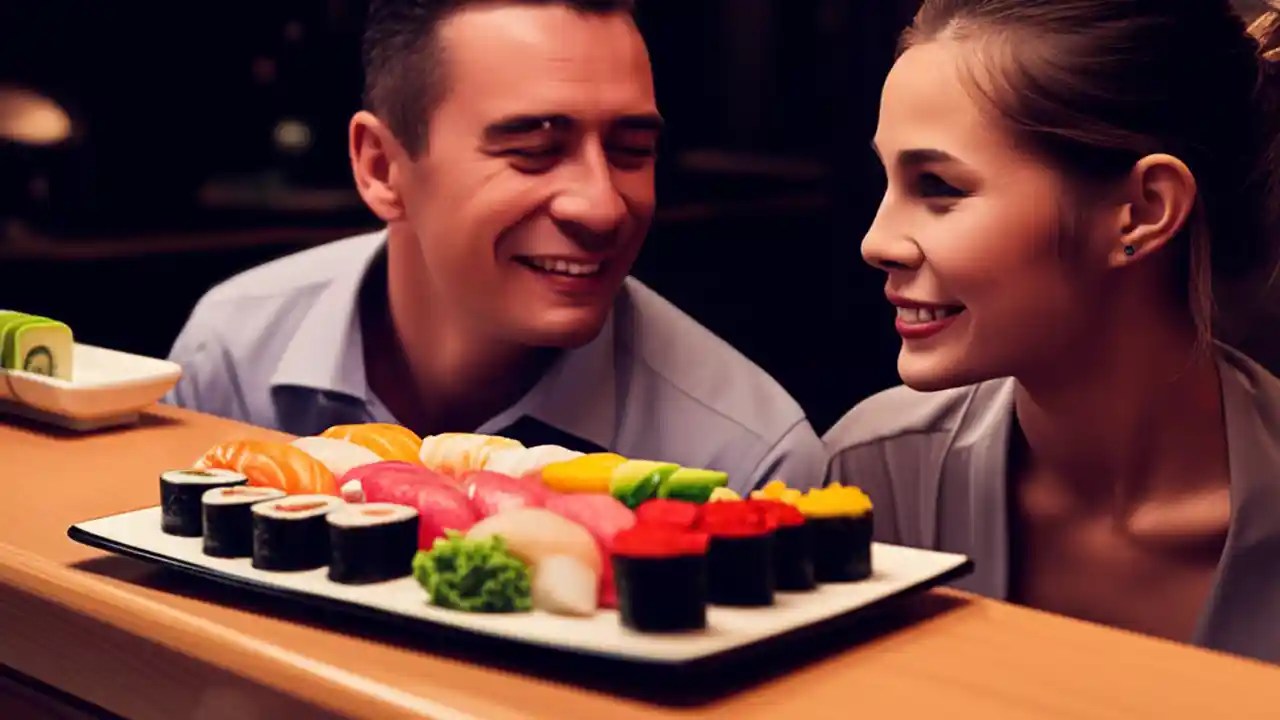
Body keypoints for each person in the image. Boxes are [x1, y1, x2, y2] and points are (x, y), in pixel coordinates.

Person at [164, 0, 825, 494]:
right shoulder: (234, 358)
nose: (601, 206)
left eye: (632, 151)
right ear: (381, 168)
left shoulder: (745, 458)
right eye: (535, 149)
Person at [824, 0, 1280, 664]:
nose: (877, 241)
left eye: (939, 187)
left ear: (1141, 212)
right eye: (888, 181)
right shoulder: (872, 477)